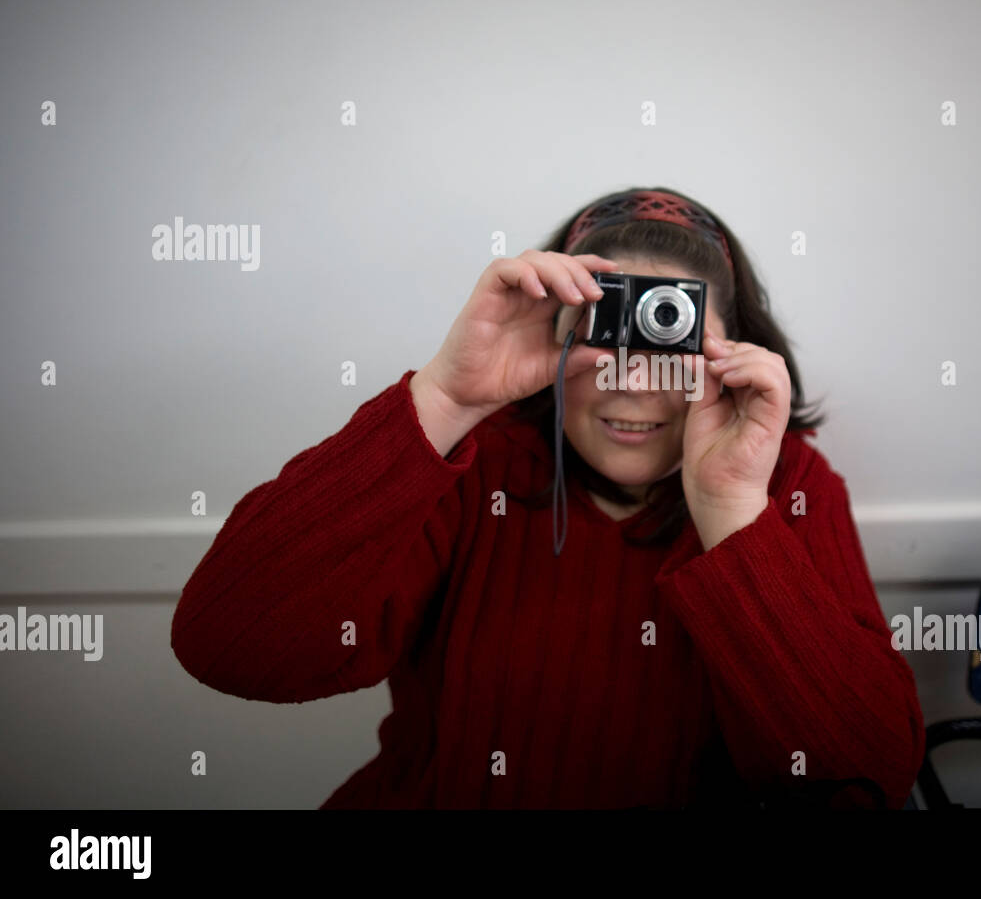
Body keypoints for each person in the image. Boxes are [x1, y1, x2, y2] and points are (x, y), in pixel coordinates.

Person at [171, 187, 926, 809]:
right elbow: (230, 647)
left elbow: (866, 777)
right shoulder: (476, 464)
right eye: (605, 328)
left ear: (734, 352)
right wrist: (444, 397)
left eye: (669, 335)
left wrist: (731, 511)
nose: (632, 379)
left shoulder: (787, 487)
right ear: (554, 333)